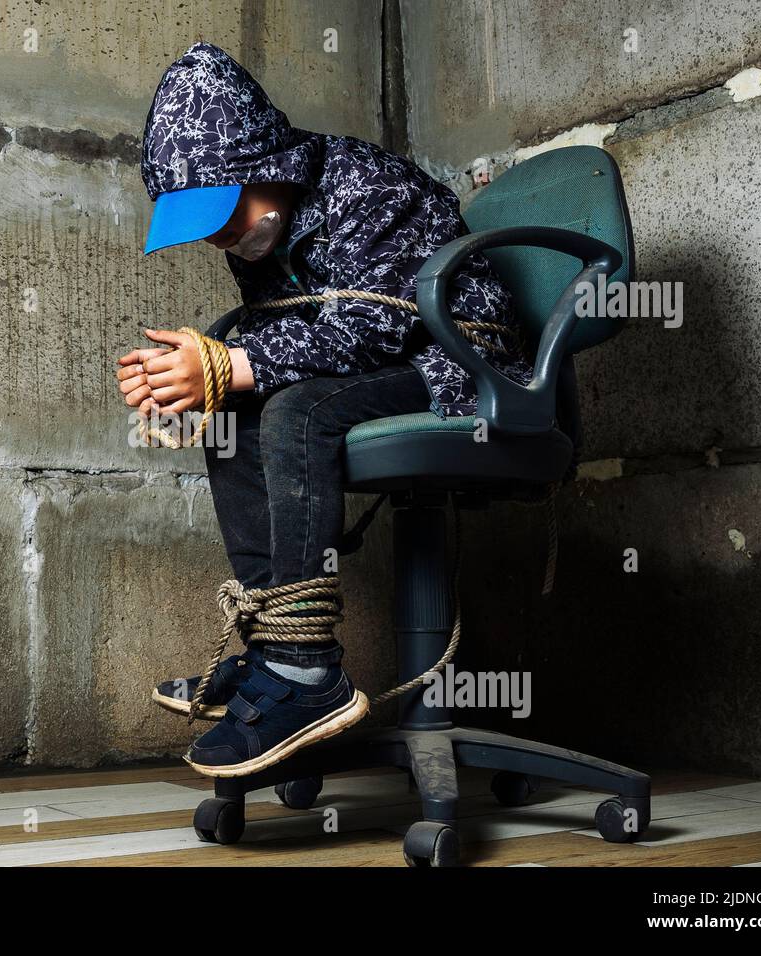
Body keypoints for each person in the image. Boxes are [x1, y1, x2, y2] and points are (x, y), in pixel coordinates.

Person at [116, 43, 532, 777]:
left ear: (268, 164)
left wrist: (233, 364)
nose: (217, 234)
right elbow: (287, 341)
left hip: (454, 362)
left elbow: (380, 327)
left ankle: (307, 672)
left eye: (221, 210)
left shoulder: (373, 188)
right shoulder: (256, 231)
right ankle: (275, 650)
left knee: (293, 411)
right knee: (235, 411)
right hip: (370, 371)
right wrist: (200, 376)